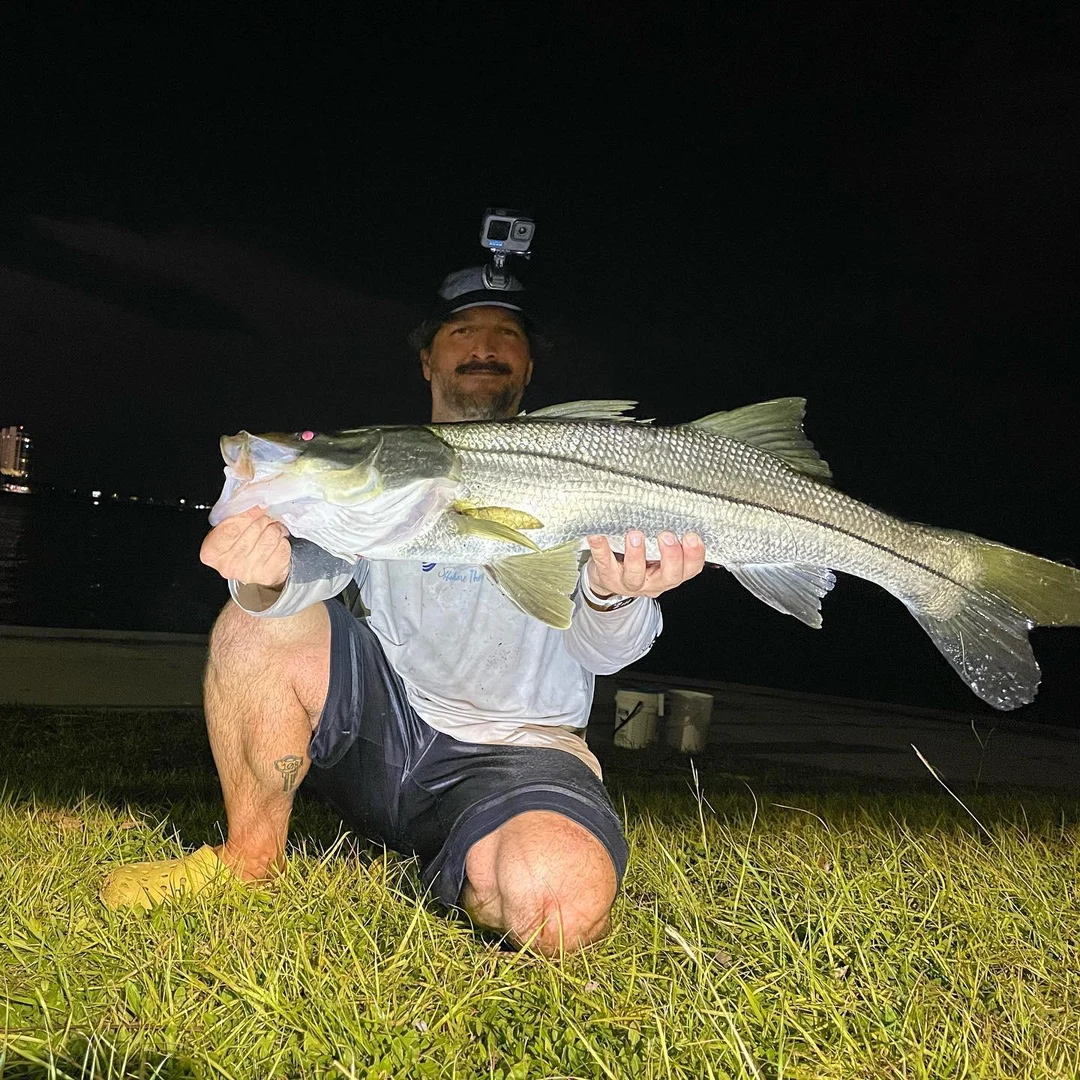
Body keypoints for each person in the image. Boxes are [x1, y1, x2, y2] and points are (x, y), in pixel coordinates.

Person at [100, 267, 705, 955]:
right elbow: (307, 575)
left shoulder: (578, 465)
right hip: (384, 734)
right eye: (462, 330)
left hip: (522, 752)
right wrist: (266, 575)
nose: (484, 345)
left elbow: (606, 654)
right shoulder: (385, 467)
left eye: (505, 333)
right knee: (255, 619)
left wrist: (615, 590)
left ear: (528, 365)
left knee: (558, 906)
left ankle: (476, 843)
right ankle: (249, 858)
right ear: (428, 359)